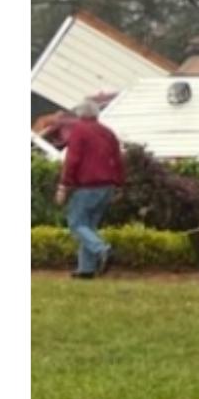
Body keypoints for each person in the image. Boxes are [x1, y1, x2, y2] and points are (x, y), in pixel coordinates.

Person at [56, 100, 124, 279]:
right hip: (107, 186)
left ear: (80, 114)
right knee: (89, 226)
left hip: (88, 186)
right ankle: (86, 269)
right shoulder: (108, 132)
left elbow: (72, 160)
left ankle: (102, 249)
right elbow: (118, 159)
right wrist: (118, 184)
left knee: (76, 223)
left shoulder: (79, 130)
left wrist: (63, 185)